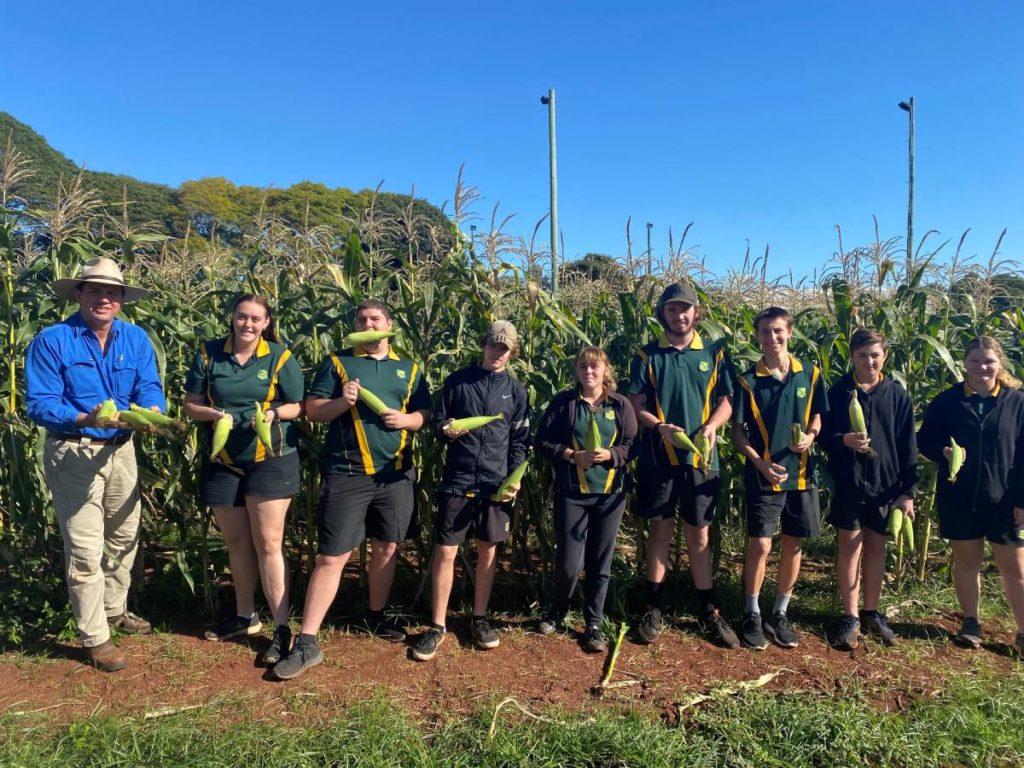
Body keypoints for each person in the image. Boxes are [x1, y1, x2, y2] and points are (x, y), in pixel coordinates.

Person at [273, 299, 431, 680]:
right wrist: (342, 402)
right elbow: (312, 410)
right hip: (347, 473)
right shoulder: (339, 363)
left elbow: (425, 414)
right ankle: (307, 640)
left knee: (387, 546)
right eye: (361, 319)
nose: (368, 323)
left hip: (394, 475)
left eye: (375, 318)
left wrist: (408, 420)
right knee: (333, 555)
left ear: (389, 325)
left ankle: (375, 616)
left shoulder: (408, 369)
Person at [25, 257, 166, 672]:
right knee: (85, 548)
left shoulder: (136, 340)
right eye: (95, 290)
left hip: (122, 450)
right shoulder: (53, 340)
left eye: (113, 292)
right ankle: (95, 636)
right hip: (74, 452)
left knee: (124, 536)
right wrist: (88, 418)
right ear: (79, 294)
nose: (104, 298)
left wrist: (152, 413)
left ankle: (114, 608)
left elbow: (150, 387)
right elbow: (41, 403)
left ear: (122, 300)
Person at [184, 294, 305, 665]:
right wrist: (214, 414)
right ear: (232, 318)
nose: (248, 324)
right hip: (223, 460)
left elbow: (300, 406)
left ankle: (282, 628)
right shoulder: (208, 354)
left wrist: (271, 414)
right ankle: (244, 616)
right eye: (242, 317)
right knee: (237, 543)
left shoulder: (280, 356)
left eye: (256, 319)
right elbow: (190, 403)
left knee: (268, 542)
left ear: (266, 322)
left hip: (272, 459)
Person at [626, 282, 739, 648]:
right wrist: (658, 426)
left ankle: (708, 609)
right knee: (659, 531)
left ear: (696, 313)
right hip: (660, 457)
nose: (680, 315)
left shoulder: (714, 353)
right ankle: (653, 605)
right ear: (663, 313)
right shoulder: (647, 356)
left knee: (699, 534)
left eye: (686, 309)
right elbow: (634, 403)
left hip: (701, 459)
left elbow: (727, 401)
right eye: (672, 309)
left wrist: (711, 426)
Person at [411, 321, 530, 662]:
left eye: (504, 348)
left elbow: (520, 441)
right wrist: (445, 430)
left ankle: (479, 618)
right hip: (458, 479)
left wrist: (515, 478)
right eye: (493, 345)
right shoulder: (458, 382)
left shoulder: (516, 392)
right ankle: (437, 625)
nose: (497, 351)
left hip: (495, 483)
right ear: (483, 345)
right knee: (446, 551)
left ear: (512, 352)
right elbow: (437, 422)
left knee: (487, 552)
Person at [917, 336, 1024, 657]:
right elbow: (924, 440)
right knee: (966, 564)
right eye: (975, 361)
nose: (982, 367)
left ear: (1000, 364)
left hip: (1005, 500)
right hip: (960, 497)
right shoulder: (947, 401)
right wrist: (942, 451)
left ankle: (1022, 632)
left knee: (1016, 568)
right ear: (965, 363)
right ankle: (971, 623)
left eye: (988, 361)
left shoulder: (1016, 403)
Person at [732, 306, 827, 650]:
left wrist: (811, 436)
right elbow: (739, 433)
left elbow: (817, 416)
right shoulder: (748, 380)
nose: (771, 338)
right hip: (764, 474)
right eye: (764, 332)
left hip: (802, 475)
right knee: (760, 544)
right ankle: (752, 611)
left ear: (790, 332)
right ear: (756, 336)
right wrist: (759, 463)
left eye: (778, 331)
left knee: (793, 543)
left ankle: (780, 612)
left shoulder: (810, 374)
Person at [536, 347, 637, 652]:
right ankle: (559, 612)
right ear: (576, 370)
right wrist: (569, 455)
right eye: (583, 366)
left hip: (610, 495)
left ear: (606, 370)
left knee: (600, 561)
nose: (589, 372)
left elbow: (632, 445)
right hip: (572, 493)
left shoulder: (620, 405)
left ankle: (593, 622)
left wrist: (611, 455)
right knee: (569, 563)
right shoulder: (564, 402)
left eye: (594, 367)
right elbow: (541, 441)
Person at [821, 328, 916, 650]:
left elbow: (907, 446)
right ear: (852, 357)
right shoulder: (838, 392)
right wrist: (842, 441)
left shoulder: (898, 395)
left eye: (875, 355)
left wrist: (907, 491)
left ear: (885, 356)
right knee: (849, 548)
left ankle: (872, 611)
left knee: (876, 549)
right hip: (850, 484)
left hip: (885, 486)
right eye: (862, 355)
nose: (869, 361)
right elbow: (823, 437)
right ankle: (850, 617)